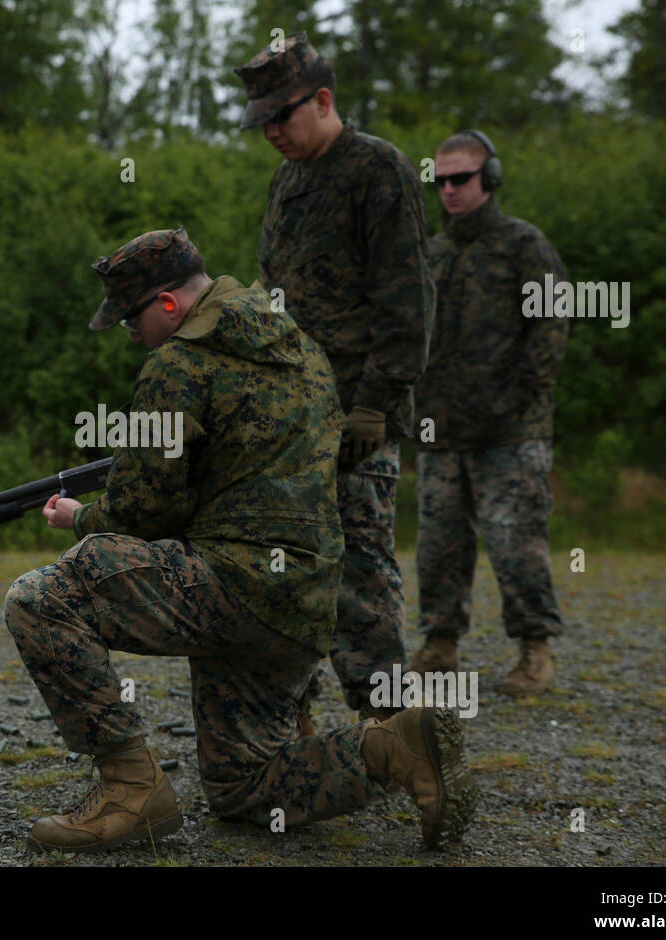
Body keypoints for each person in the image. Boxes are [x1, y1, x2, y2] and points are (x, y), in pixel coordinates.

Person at [2, 227, 476, 854]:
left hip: (229, 584)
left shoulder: (176, 364)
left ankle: (129, 789)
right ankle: (396, 746)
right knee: (245, 787)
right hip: (302, 604)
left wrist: (82, 517)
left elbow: (143, 510)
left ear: (169, 305)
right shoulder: (298, 343)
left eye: (131, 320)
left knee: (42, 598)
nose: (131, 334)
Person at [234, 32, 434, 722]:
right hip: (292, 417)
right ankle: (290, 720)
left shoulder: (378, 170)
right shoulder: (287, 180)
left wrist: (375, 407)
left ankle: (389, 729)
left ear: (323, 100)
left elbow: (408, 304)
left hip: (355, 418)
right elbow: (272, 288)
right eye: (261, 124)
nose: (272, 134)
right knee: (287, 563)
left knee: (360, 570)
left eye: (281, 118)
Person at [409, 130, 567, 695]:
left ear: (489, 179)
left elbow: (550, 326)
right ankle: (440, 645)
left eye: (461, 178)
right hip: (443, 431)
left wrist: (521, 398)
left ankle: (535, 652)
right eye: (440, 180)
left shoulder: (523, 244)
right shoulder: (433, 252)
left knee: (514, 541)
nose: (448, 189)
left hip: (509, 431)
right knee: (438, 545)